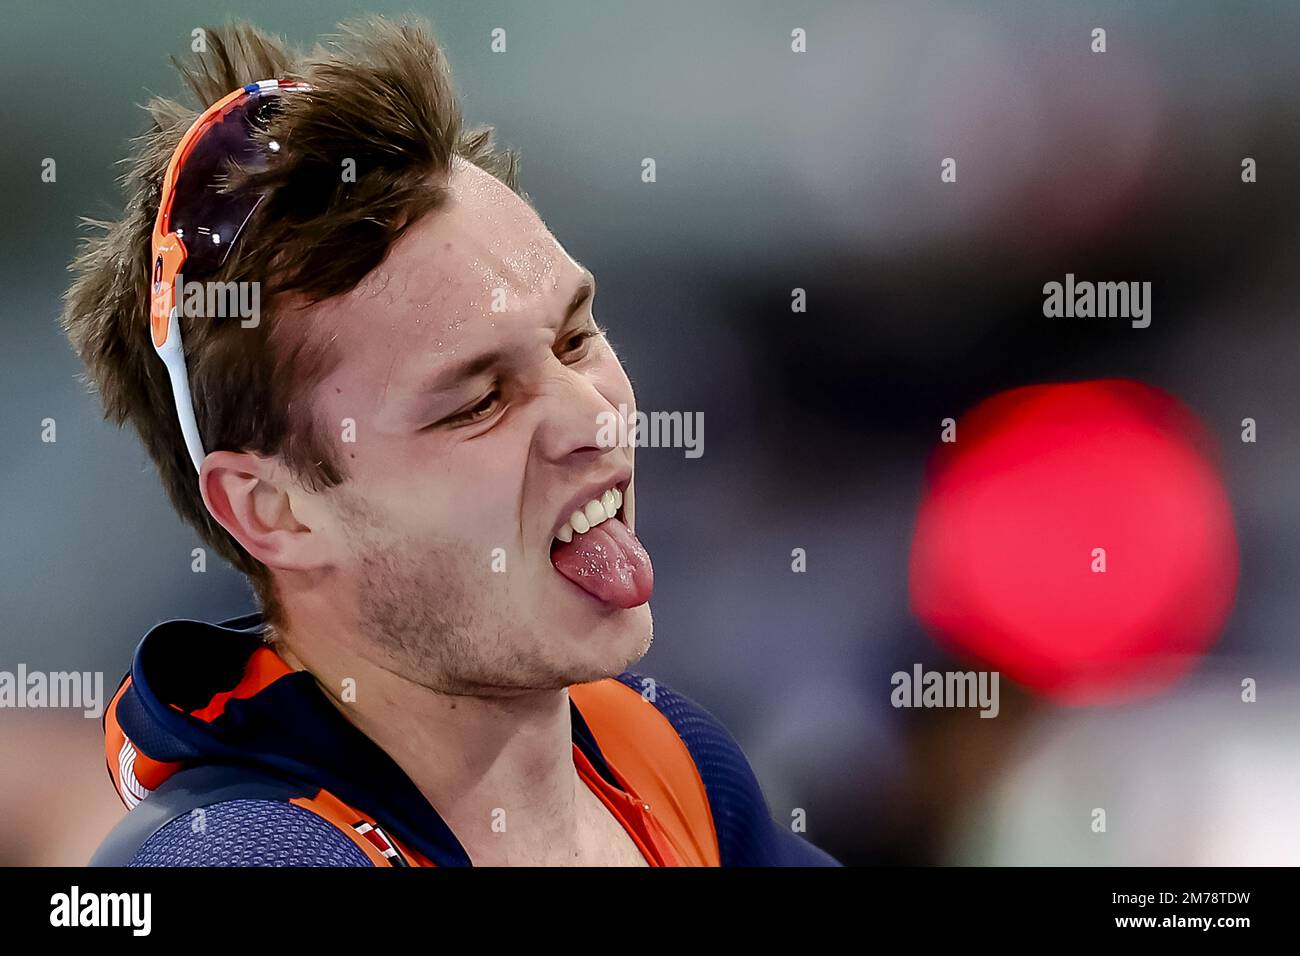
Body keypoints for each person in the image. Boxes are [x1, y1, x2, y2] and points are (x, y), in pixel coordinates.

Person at [63, 16, 839, 867]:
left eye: (575, 339)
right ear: (274, 511)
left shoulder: (664, 755)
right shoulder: (243, 858)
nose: (595, 417)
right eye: (477, 402)